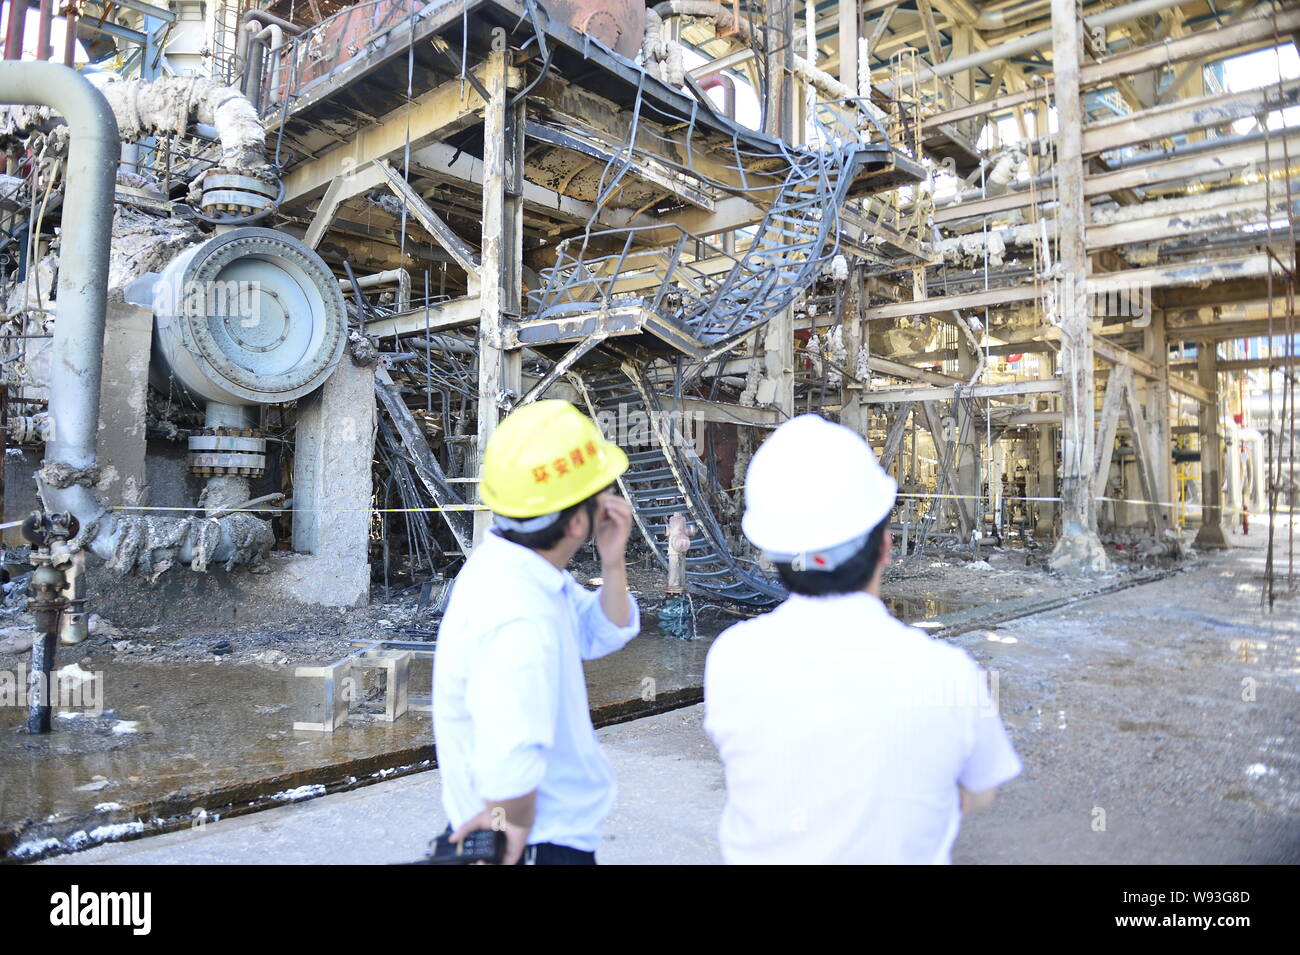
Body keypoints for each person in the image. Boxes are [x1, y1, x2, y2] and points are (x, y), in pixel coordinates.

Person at [704, 414, 1021, 864]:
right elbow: (980, 791)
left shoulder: (730, 658)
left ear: (773, 553)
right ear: (886, 547)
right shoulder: (947, 674)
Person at [433, 400, 639, 865]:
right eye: (599, 493)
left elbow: (604, 631)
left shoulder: (521, 567)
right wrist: (508, 834)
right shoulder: (519, 613)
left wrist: (612, 560)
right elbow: (509, 762)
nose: (609, 500)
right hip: (537, 844)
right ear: (576, 521)